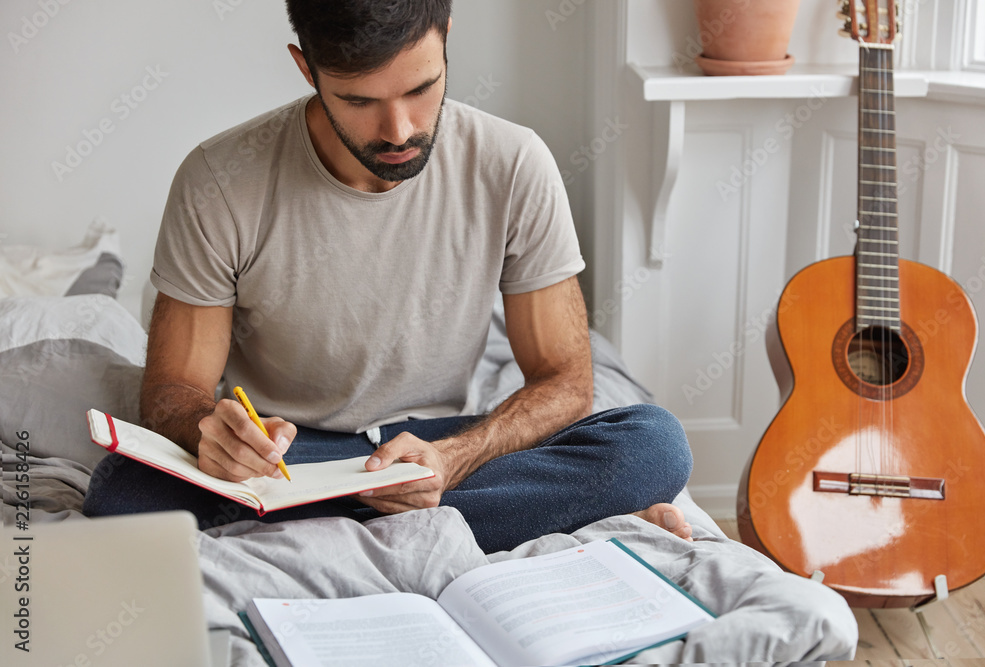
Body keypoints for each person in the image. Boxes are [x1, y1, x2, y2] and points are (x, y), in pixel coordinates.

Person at [83, 0, 694, 553]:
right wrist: (210, 432)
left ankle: (336, 527)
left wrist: (453, 459)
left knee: (653, 443)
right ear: (306, 68)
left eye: (421, 88)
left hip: (439, 443)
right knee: (121, 492)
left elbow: (565, 380)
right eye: (359, 101)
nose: (399, 130)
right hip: (288, 457)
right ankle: (511, 520)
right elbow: (172, 390)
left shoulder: (513, 164)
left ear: (446, 36)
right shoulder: (218, 180)